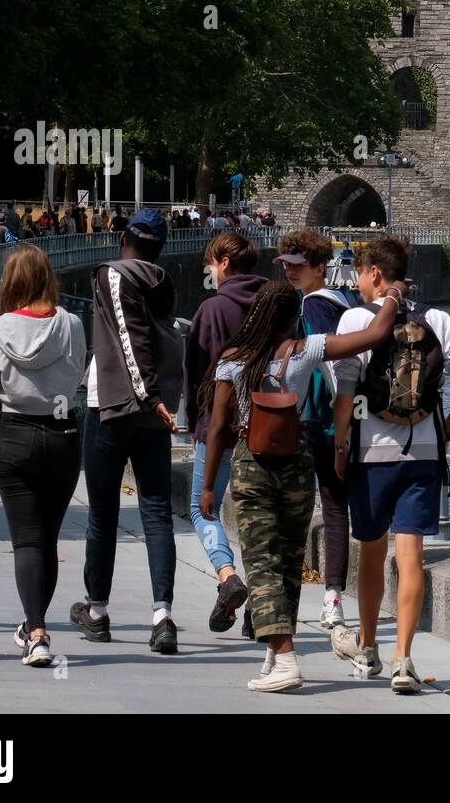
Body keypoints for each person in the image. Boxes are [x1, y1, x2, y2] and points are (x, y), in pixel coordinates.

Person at [198, 278, 405, 692]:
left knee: (261, 564)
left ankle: (287, 659)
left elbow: (219, 428)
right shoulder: (306, 349)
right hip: (297, 464)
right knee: (289, 562)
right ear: (295, 317)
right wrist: (393, 297)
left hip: (252, 465)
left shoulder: (233, 360)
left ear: (256, 316)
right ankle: (274, 655)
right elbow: (376, 334)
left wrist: (208, 487)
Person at [329, 237, 450, 693]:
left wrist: (340, 445)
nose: (355, 283)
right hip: (424, 451)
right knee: (411, 554)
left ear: (375, 273)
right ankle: (404, 659)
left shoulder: (357, 318)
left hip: (371, 454)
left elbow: (345, 393)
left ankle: (370, 647)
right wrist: (446, 429)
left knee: (372, 550)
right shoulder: (436, 318)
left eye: (358, 273)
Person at [72, 208, 183, 653]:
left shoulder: (112, 276)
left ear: (123, 238)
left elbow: (129, 336)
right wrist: (159, 402)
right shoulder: (163, 279)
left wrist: (148, 395)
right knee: (156, 512)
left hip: (114, 405)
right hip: (151, 414)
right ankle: (163, 615)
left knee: (103, 514)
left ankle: (97, 611)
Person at [0, 245, 85, 667]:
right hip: (62, 432)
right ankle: (35, 627)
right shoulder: (71, 324)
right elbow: (75, 374)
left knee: (26, 541)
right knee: (47, 538)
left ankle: (35, 630)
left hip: (15, 434)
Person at [184, 232, 267, 636]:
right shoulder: (275, 304)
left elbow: (196, 367)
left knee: (203, 508)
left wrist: (193, 419)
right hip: (267, 425)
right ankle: (261, 610)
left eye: (212, 265)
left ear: (225, 263)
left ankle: (227, 574)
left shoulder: (212, 309)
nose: (210, 272)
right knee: (257, 517)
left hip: (218, 426)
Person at [278, 231, 354, 627]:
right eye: (286, 265)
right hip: (333, 420)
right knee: (335, 506)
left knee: (302, 507)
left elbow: (329, 363)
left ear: (319, 269)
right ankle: (333, 596)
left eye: (298, 266)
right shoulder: (345, 302)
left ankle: (299, 600)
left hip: (315, 421)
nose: (291, 271)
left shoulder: (315, 305)